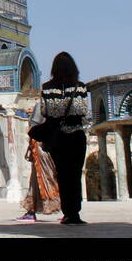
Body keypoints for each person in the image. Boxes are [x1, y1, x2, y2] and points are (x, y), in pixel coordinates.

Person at [40, 51, 90, 225]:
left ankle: (67, 212)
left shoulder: (46, 87)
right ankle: (75, 212)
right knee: (75, 175)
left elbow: (45, 112)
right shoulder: (81, 87)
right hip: (76, 135)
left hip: (58, 137)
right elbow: (83, 110)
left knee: (62, 175)